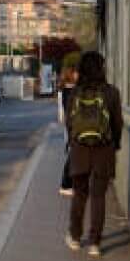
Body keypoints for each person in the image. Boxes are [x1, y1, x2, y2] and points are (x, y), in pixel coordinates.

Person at [64, 51, 123, 256]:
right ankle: (95, 244)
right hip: (103, 150)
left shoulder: (75, 93)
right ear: (101, 68)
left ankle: (75, 237)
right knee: (98, 196)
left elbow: (69, 122)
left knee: (79, 195)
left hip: (80, 150)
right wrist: (115, 144)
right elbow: (117, 123)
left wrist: (74, 141)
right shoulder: (111, 93)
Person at [55, 61, 80, 196]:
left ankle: (70, 184)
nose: (78, 75)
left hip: (71, 126)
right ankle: (65, 185)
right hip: (73, 126)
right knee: (73, 155)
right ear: (71, 75)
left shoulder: (67, 90)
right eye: (76, 73)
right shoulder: (70, 91)